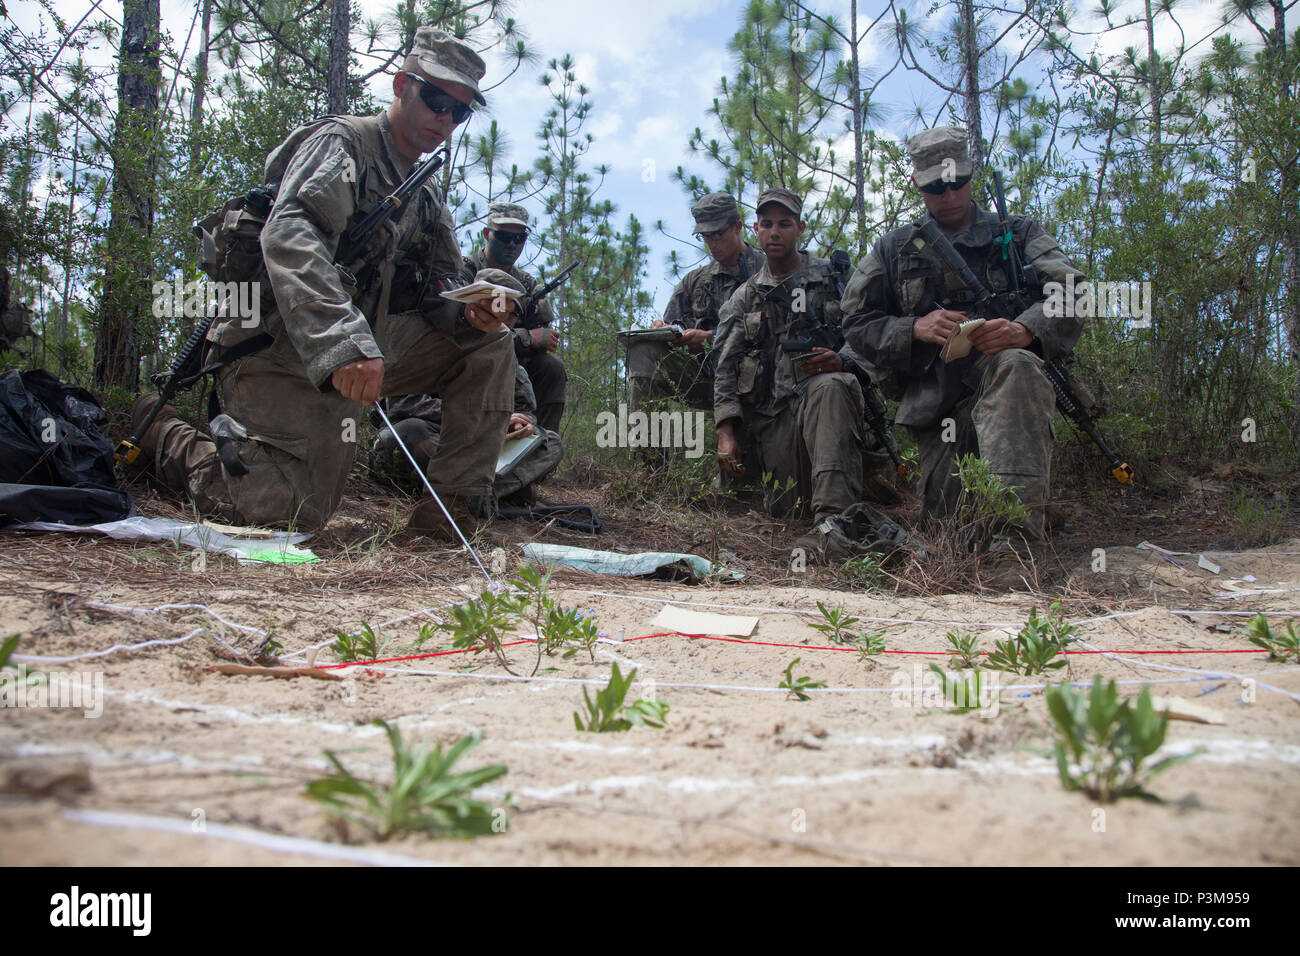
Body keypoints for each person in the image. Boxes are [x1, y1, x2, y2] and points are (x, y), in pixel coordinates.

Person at [130, 27, 516, 538]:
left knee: (488, 345)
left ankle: (446, 516)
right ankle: (169, 437)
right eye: (437, 98)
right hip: (277, 344)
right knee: (286, 515)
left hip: (360, 348)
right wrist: (342, 342)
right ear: (402, 85)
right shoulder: (343, 142)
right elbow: (290, 234)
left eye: (460, 111)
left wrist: (469, 311)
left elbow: (432, 293)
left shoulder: (423, 196)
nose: (445, 119)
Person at [839, 125, 1086, 576]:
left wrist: (1024, 329)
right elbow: (855, 322)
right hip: (939, 414)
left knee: (1015, 365)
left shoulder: (1017, 233)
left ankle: (1017, 549)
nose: (949, 193)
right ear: (917, 185)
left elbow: (1074, 291)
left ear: (973, 176)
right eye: (936, 185)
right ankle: (1010, 520)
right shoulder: (894, 249)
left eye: (958, 181)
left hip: (1005, 392)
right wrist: (914, 327)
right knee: (957, 534)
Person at [713, 188, 873, 531]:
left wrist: (843, 360)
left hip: (830, 406)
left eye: (784, 224)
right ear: (755, 229)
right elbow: (725, 369)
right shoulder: (746, 296)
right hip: (776, 419)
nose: (774, 232)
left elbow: (867, 333)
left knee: (831, 385)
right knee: (788, 510)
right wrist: (726, 432)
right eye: (767, 224)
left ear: (800, 228)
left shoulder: (834, 279)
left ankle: (834, 526)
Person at [371, 270, 563, 506]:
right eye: (489, 304)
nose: (497, 316)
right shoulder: (433, 337)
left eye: (509, 312)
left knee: (549, 442)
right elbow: (403, 404)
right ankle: (486, 492)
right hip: (433, 435)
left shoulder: (510, 362)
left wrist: (518, 423)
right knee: (403, 435)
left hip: (483, 449)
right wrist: (478, 419)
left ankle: (477, 493)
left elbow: (526, 411)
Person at [626, 192, 764, 413]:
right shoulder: (696, 281)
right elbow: (671, 326)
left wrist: (711, 339)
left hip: (757, 380)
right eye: (705, 236)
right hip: (704, 378)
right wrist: (661, 329)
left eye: (717, 234)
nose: (712, 243)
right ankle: (648, 447)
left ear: (737, 226)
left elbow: (774, 333)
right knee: (644, 350)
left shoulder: (767, 272)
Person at [462, 202, 566, 433]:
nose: (511, 245)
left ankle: (539, 444)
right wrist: (527, 338)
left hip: (513, 364)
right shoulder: (466, 273)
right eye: (503, 237)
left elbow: (545, 338)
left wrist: (530, 340)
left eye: (518, 239)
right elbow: (467, 335)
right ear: (487, 234)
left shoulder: (527, 283)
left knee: (551, 367)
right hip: (467, 360)